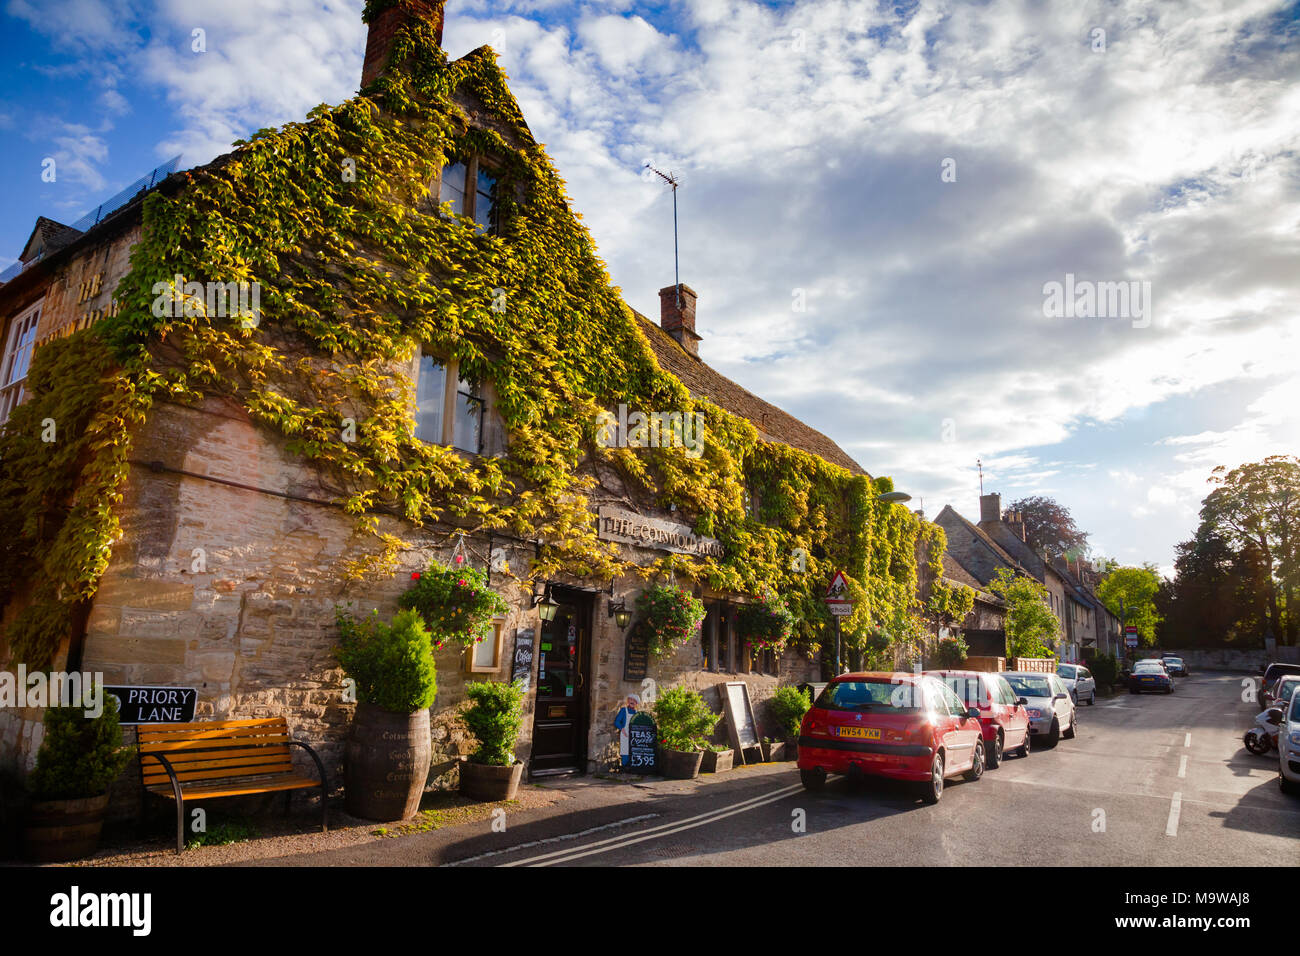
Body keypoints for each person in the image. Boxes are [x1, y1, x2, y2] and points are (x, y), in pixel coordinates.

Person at [614, 694, 639, 768]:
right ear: (628, 701)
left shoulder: (637, 713)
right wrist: (622, 728)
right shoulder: (623, 710)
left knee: (633, 749)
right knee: (625, 750)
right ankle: (625, 766)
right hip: (625, 733)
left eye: (634, 701)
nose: (632, 702)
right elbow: (617, 722)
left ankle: (632, 766)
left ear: (636, 703)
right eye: (630, 700)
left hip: (634, 735)